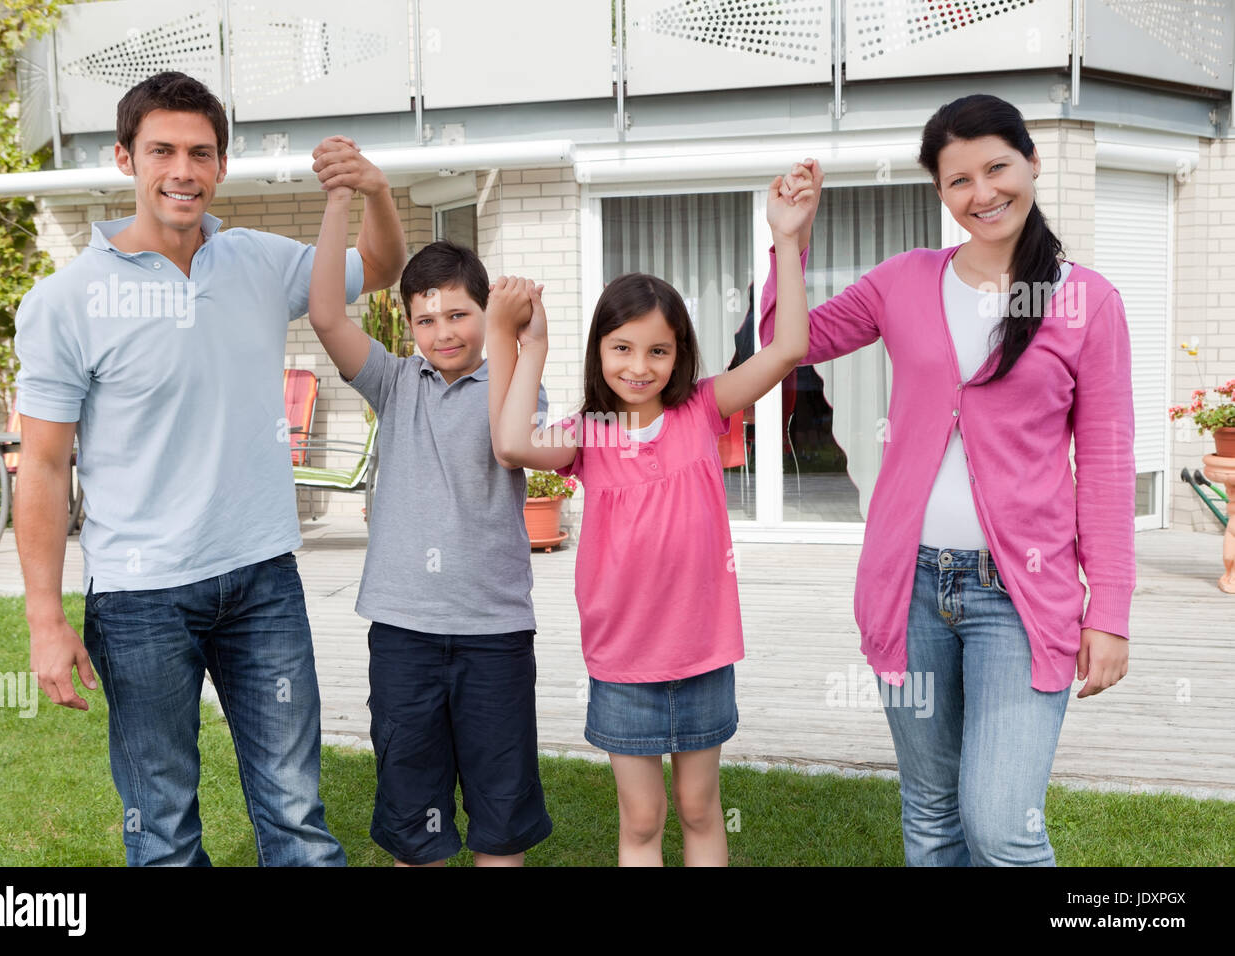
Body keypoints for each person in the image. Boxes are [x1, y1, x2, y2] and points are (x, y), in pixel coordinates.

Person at [13, 72, 407, 866]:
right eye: (162, 150)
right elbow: (46, 466)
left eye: (200, 152)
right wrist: (44, 619)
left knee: (297, 815)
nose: (182, 170)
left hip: (263, 580)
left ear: (222, 166)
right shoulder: (68, 300)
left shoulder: (262, 262)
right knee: (162, 828)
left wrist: (374, 189)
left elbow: (382, 263)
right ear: (126, 158)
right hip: (139, 597)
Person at [761, 94, 1135, 866]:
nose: (983, 192)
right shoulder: (904, 281)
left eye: (998, 166)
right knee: (932, 817)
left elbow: (1104, 463)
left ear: (1032, 162)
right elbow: (783, 342)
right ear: (941, 193)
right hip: (912, 588)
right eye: (958, 179)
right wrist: (788, 244)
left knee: (1002, 826)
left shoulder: (1086, 302)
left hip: (1020, 598)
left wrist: (1113, 611)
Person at [487, 166, 822, 866]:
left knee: (701, 809)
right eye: (622, 348)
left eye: (658, 351)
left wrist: (785, 241)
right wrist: (531, 347)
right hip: (623, 664)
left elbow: (789, 346)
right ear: (600, 352)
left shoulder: (702, 409)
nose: (639, 366)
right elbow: (513, 443)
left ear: (680, 355)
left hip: (701, 653)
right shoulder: (592, 434)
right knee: (641, 821)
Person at [305, 147, 553, 867]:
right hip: (405, 634)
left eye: (460, 314)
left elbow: (512, 447)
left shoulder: (512, 385)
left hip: (493, 633)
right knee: (418, 818)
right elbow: (326, 312)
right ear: (407, 326)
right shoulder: (394, 382)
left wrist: (515, 331)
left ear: (487, 311)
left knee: (499, 815)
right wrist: (353, 194)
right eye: (425, 320)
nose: (443, 332)